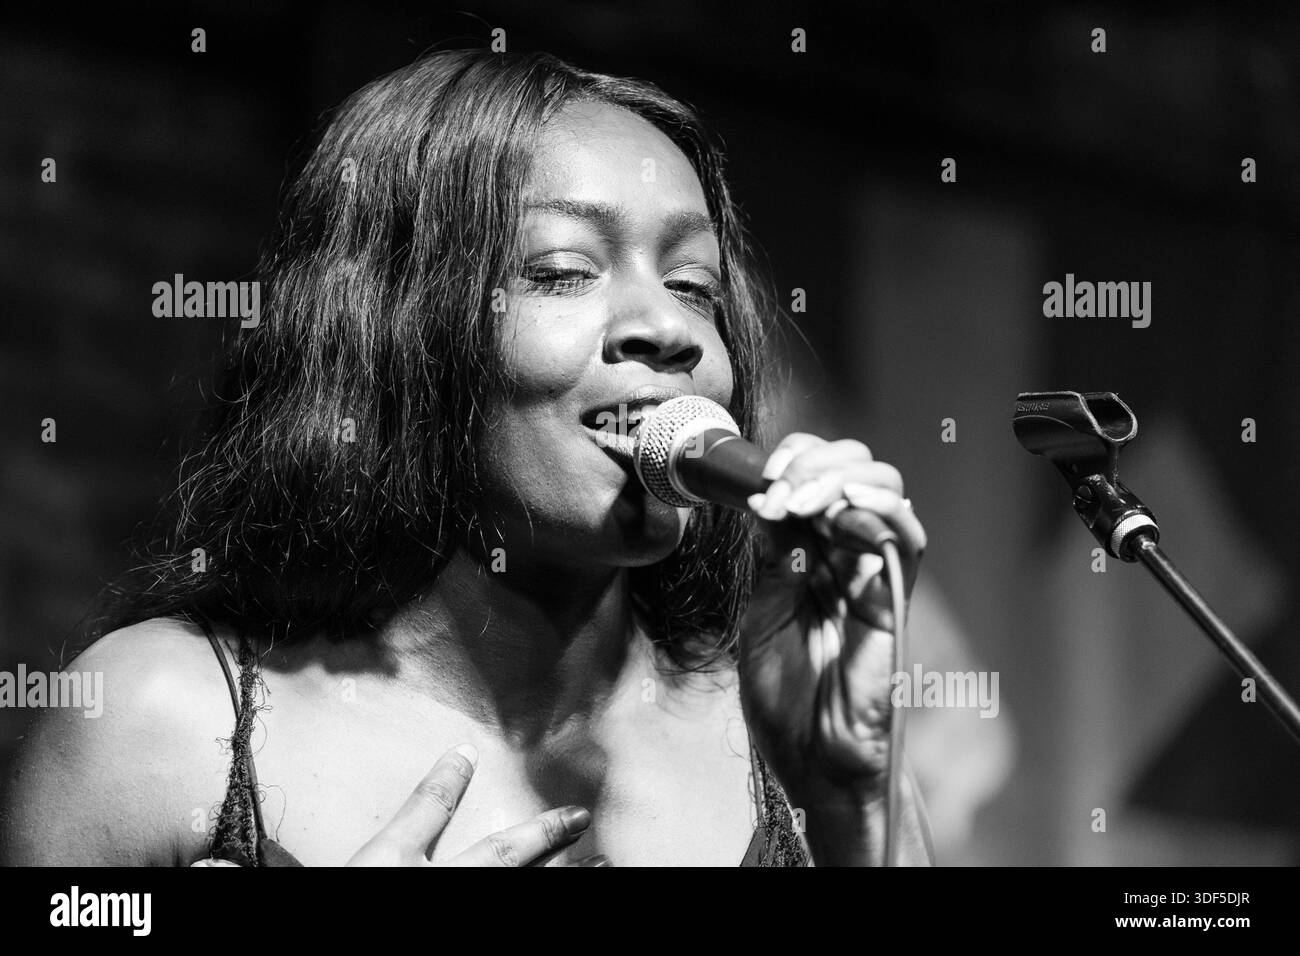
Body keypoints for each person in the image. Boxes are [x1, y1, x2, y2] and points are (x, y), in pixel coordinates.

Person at [0, 49, 932, 867]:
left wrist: (852, 806)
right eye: (563, 271)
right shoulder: (157, 720)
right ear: (399, 330)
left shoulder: (783, 740)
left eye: (695, 286)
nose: (667, 327)